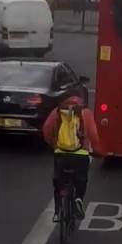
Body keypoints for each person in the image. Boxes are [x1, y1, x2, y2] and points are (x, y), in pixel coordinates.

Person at [40, 84, 101, 223]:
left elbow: (47, 128)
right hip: (80, 154)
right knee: (81, 179)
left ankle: (57, 212)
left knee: (58, 182)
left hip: (61, 153)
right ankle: (78, 198)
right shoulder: (85, 113)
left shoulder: (58, 111)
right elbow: (93, 134)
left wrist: (53, 143)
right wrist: (96, 149)